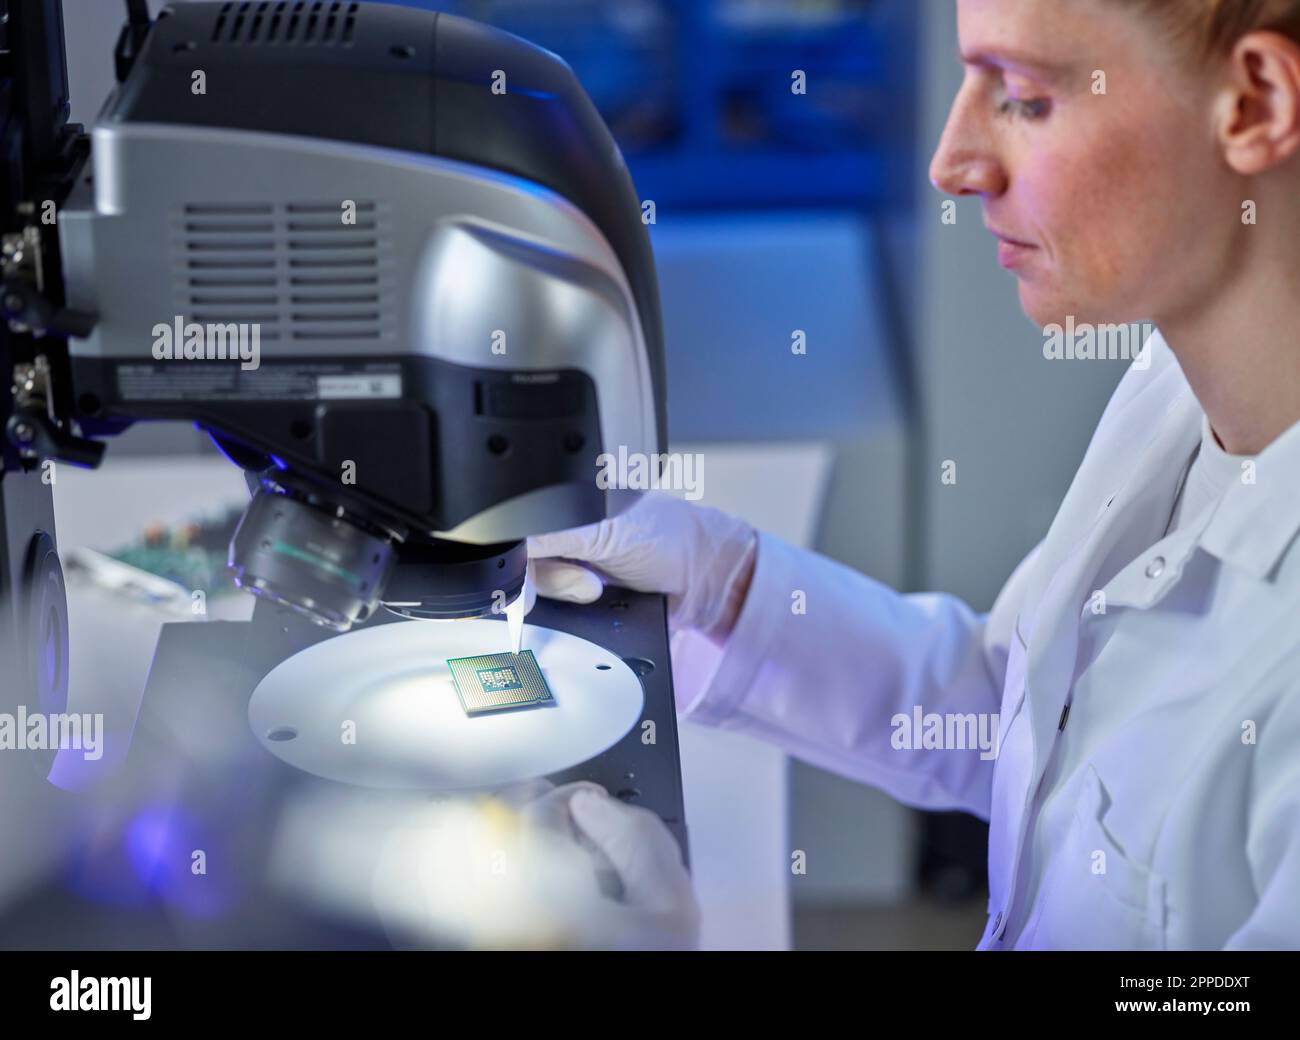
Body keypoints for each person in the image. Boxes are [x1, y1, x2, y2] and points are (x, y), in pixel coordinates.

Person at [526, 0, 1300, 950]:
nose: (952, 164)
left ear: (1255, 103)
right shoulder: (1184, 385)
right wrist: (724, 588)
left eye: (1022, 95)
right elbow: (1019, 711)